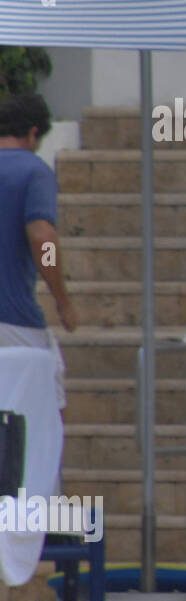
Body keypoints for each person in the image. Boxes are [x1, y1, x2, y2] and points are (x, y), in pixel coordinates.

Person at [0, 93, 77, 412]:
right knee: (44, 410)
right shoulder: (34, 172)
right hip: (13, 318)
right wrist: (61, 299)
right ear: (33, 133)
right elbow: (43, 238)